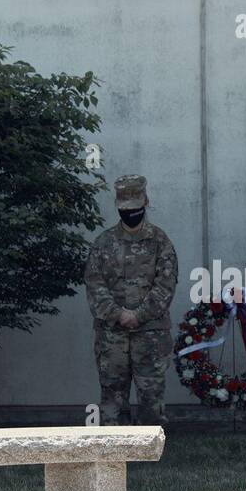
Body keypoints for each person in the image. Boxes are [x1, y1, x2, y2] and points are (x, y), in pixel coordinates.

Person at [84, 175, 178, 425]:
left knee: (151, 395)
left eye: (135, 208)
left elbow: (166, 285)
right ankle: (114, 450)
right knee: (113, 395)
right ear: (118, 206)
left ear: (146, 202)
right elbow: (95, 285)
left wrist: (139, 315)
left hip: (151, 333)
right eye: (126, 209)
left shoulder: (160, 242)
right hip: (112, 334)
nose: (131, 213)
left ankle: (149, 451)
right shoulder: (103, 243)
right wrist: (119, 315)